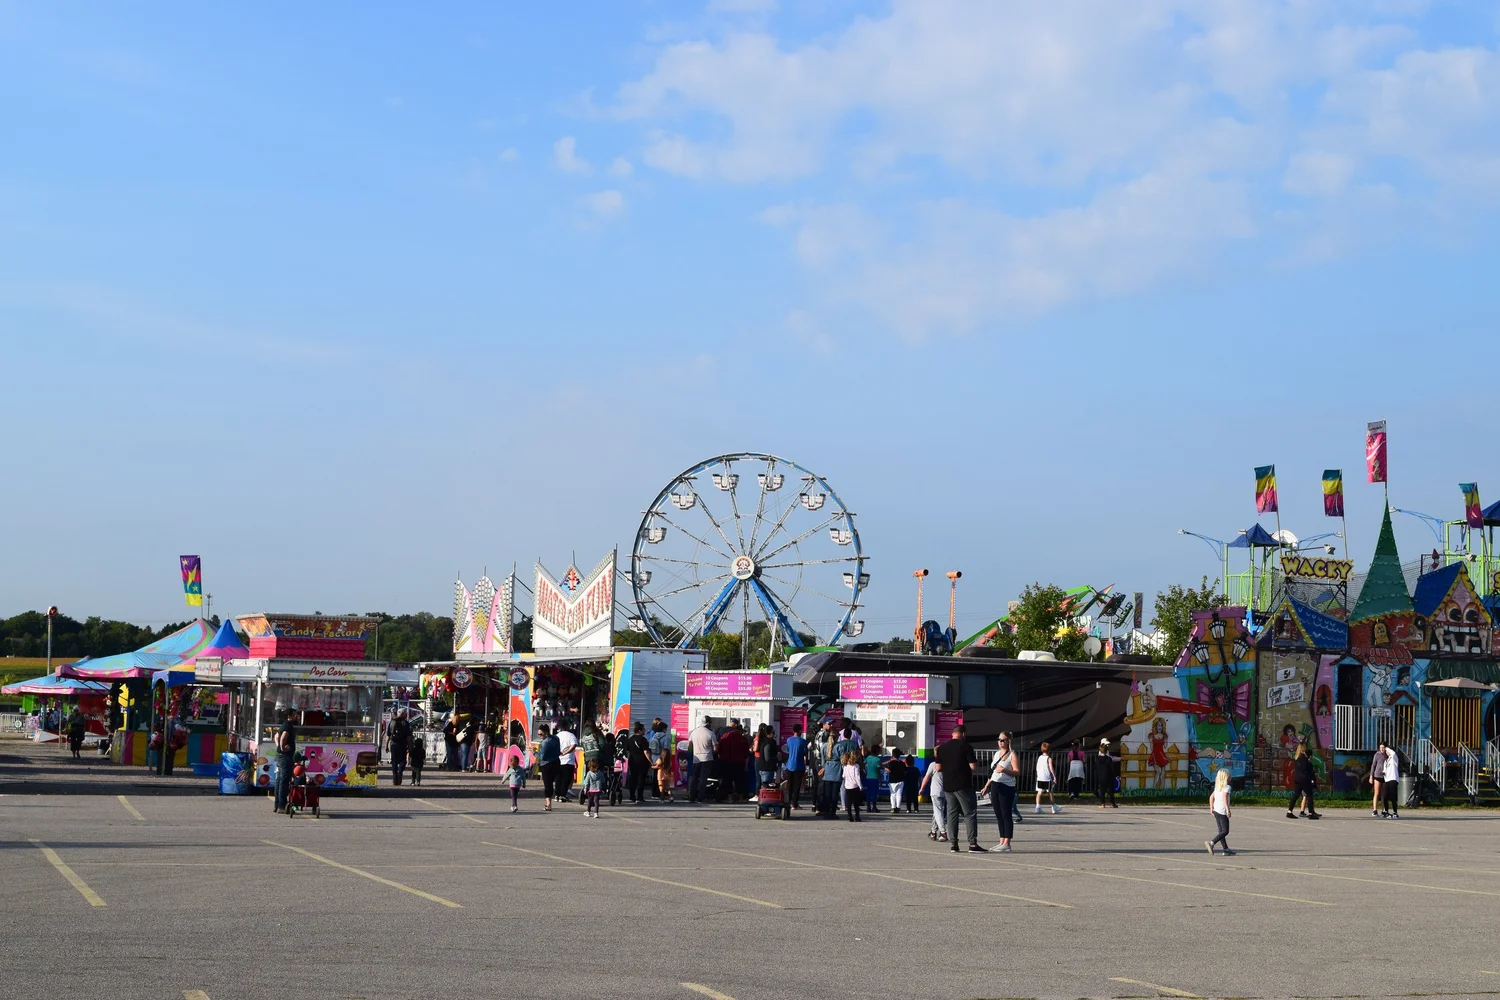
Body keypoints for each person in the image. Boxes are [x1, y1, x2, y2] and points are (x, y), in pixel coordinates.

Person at [935, 724, 986, 853]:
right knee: (970, 814)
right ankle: (972, 844)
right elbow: (973, 766)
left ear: (953, 734)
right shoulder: (966, 747)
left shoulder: (942, 748)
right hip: (963, 785)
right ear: (963, 734)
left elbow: (938, 768)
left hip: (948, 785)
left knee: (952, 814)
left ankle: (954, 844)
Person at [980, 733, 1018, 852]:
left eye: (1003, 740)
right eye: (999, 740)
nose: (1000, 742)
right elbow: (993, 773)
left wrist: (1005, 770)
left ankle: (1007, 843)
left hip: (1006, 786)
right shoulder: (997, 754)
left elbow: (1016, 771)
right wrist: (986, 786)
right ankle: (1001, 840)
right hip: (995, 784)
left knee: (1006, 814)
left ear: (1008, 741)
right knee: (998, 815)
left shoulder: (1012, 755)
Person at [717, 721, 750, 802]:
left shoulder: (725, 737)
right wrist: (746, 766)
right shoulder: (742, 739)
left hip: (726, 763)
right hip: (739, 763)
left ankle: (730, 798)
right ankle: (741, 798)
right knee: (739, 781)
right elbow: (746, 754)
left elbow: (719, 751)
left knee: (728, 781)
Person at [273, 708, 298, 814]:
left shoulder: (284, 725)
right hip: (285, 757)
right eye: (295, 715)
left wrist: (279, 747)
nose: (297, 716)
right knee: (284, 781)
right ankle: (282, 805)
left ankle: (277, 804)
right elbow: (282, 738)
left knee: (279, 780)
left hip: (280, 756)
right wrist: (283, 748)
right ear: (290, 716)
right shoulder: (288, 726)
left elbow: (276, 736)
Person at [1205, 767, 1235, 855]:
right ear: (1225, 778)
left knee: (1221, 831)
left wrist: (1211, 808)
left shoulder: (1218, 788)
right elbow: (1224, 798)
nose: (1231, 777)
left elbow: (1211, 797)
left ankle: (1226, 849)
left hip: (1216, 811)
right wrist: (1228, 810)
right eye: (1229, 776)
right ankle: (1211, 843)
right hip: (1222, 812)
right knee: (1225, 831)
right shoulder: (1227, 787)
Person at [1288, 744, 1321, 819]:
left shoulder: (1296, 758)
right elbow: (1307, 769)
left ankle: (1289, 812)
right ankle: (1310, 813)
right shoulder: (1304, 758)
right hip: (1304, 778)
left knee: (1296, 795)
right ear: (1304, 749)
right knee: (1309, 795)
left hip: (1297, 778)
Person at [688, 720, 718, 804]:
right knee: (703, 779)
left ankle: (691, 797)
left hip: (696, 758)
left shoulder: (694, 732)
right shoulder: (710, 733)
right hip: (707, 758)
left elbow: (689, 746)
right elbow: (715, 749)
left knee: (694, 778)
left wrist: (693, 753)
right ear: (708, 724)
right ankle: (701, 798)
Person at [625, 722, 652, 803]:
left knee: (633, 778)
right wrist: (651, 761)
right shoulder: (643, 740)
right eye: (643, 730)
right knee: (641, 779)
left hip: (632, 761)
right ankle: (640, 796)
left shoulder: (630, 739)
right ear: (640, 731)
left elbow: (628, 751)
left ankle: (632, 795)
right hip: (642, 762)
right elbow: (646, 751)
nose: (644, 731)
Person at [537, 724, 561, 812]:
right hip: (556, 762)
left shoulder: (545, 742)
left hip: (546, 764)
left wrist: (534, 752)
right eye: (539, 734)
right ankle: (553, 799)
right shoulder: (556, 738)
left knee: (548, 784)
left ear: (546, 732)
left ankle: (548, 804)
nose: (540, 736)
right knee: (553, 782)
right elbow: (558, 751)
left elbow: (542, 757)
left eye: (541, 734)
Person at [578, 722, 603, 807]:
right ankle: (596, 793)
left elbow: (582, 744)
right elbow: (602, 743)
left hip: (587, 757)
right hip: (597, 756)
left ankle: (587, 790)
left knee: (589, 774)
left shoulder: (583, 734)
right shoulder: (597, 732)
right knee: (597, 776)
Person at [783, 724, 807, 810]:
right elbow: (805, 752)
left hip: (789, 765)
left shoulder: (789, 740)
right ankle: (795, 804)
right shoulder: (803, 741)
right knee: (797, 786)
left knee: (790, 784)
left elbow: (788, 750)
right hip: (799, 765)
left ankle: (788, 802)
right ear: (800, 731)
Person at [387, 708, 412, 786]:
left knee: (394, 761)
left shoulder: (391, 722)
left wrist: (387, 745)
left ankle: (395, 777)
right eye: (406, 714)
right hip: (402, 744)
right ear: (403, 714)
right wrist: (410, 746)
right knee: (402, 760)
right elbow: (408, 736)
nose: (407, 715)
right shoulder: (406, 723)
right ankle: (400, 772)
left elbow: (388, 735)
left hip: (393, 745)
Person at [555, 721, 578, 803]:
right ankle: (563, 795)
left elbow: (554, 745)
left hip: (558, 760)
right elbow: (574, 745)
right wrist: (567, 752)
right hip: (568, 760)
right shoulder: (571, 735)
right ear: (568, 727)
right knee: (566, 779)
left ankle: (557, 795)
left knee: (558, 778)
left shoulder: (557, 736)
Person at [1035, 741, 1060, 814]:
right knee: (1050, 792)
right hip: (1047, 778)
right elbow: (1051, 768)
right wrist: (1054, 777)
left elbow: (1037, 767)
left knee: (1039, 792)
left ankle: (1038, 807)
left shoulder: (1039, 757)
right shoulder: (1049, 758)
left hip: (1040, 777)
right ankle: (1054, 807)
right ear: (1049, 750)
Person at [755, 723, 781, 794]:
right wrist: (776, 758)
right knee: (767, 788)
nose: (774, 734)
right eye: (773, 732)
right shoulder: (769, 742)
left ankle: (763, 801)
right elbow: (767, 758)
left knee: (764, 787)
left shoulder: (764, 741)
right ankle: (765, 803)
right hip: (767, 768)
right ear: (770, 733)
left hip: (764, 767)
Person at [841, 750, 863, 822]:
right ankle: (857, 816)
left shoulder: (845, 766)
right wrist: (860, 786)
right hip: (855, 786)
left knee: (849, 803)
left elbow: (843, 776)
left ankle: (849, 816)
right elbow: (857, 777)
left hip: (847, 786)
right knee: (856, 803)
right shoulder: (856, 766)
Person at [1095, 739, 1117, 808]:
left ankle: (1102, 803)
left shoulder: (1097, 759)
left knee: (1102, 790)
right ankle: (1112, 803)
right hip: (1109, 776)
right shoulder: (1109, 759)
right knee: (1110, 790)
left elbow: (1096, 768)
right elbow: (1112, 768)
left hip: (1101, 776)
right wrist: (1114, 775)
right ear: (1107, 750)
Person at [654, 730, 676, 803]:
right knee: (668, 787)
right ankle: (671, 797)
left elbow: (657, 766)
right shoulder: (669, 761)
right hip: (667, 775)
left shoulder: (660, 760)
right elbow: (670, 767)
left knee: (661, 788)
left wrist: (652, 766)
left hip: (660, 775)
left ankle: (662, 799)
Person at [1381, 742, 1401, 819]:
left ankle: (1395, 812)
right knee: (1385, 796)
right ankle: (1386, 811)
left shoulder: (1394, 759)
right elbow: (1384, 771)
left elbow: (1393, 753)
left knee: (1393, 796)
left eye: (1387, 751)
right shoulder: (1386, 761)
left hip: (1393, 779)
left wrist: (1386, 747)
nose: (1386, 752)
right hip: (1387, 780)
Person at [1369, 742, 1388, 818]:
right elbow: (1373, 765)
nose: (1382, 749)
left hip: (1386, 776)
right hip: (1377, 775)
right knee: (1376, 793)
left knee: (1384, 794)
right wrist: (1371, 776)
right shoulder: (1377, 755)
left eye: (1383, 747)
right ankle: (1374, 810)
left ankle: (1384, 810)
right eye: (1380, 747)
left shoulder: (1388, 755)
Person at [862, 744, 883, 812]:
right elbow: (878, 770)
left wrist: (864, 771)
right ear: (877, 751)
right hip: (875, 778)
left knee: (868, 792)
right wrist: (880, 779)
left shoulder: (868, 758)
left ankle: (868, 806)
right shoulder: (877, 760)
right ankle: (874, 806)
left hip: (868, 777)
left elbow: (863, 764)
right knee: (874, 793)